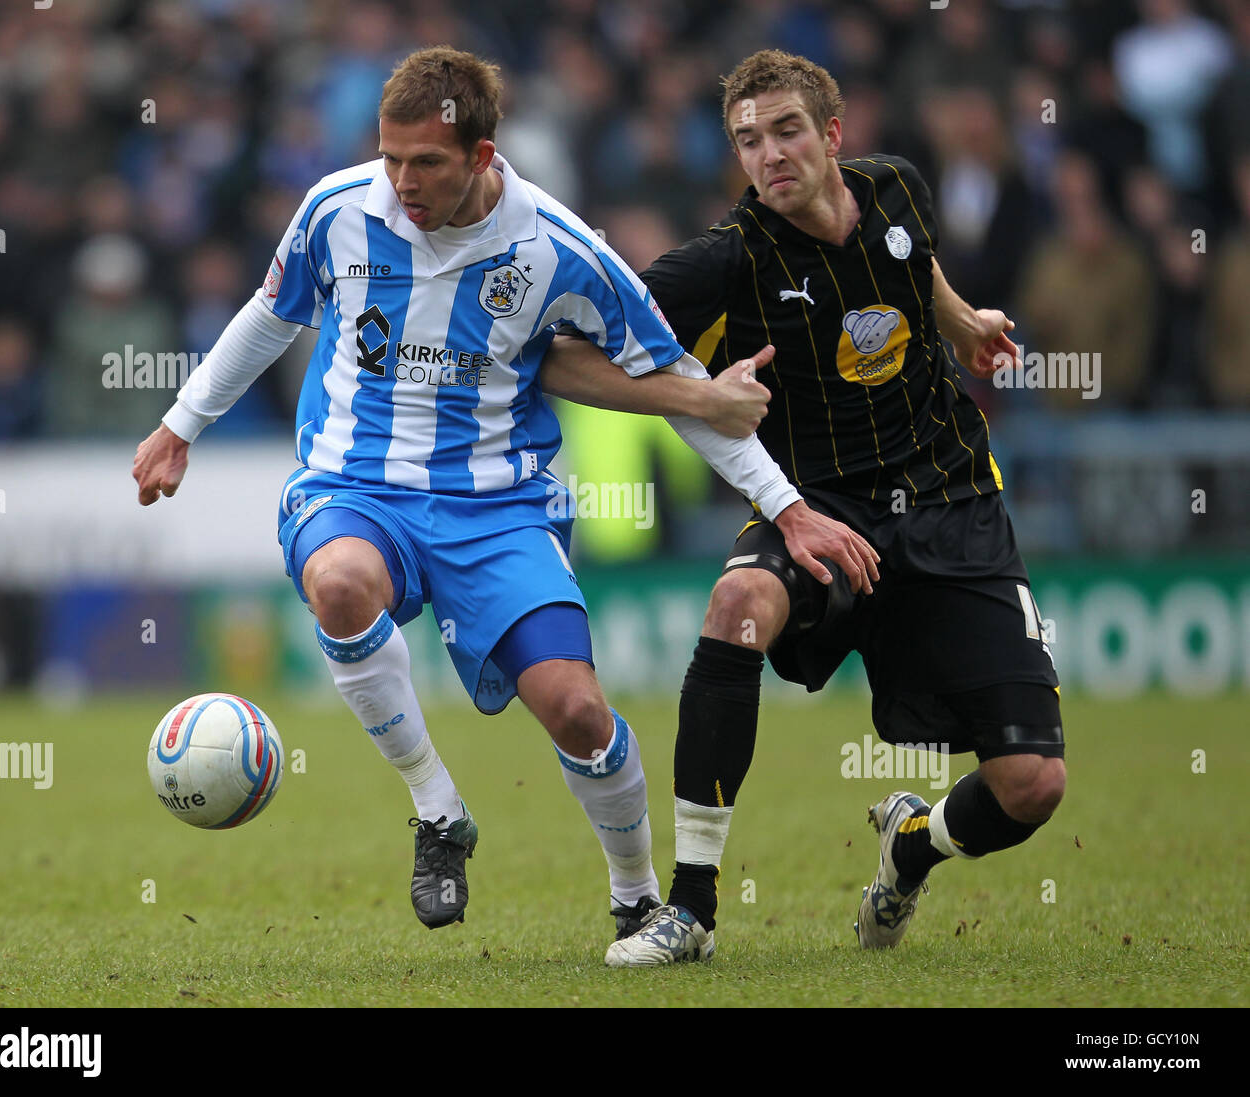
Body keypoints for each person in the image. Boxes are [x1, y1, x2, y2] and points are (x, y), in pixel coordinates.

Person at [131, 47, 878, 952]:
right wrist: (181, 423)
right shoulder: (338, 209)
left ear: (483, 155)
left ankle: (638, 895)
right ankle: (438, 812)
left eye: (428, 163)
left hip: (498, 508)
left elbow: (682, 383)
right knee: (340, 584)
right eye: (391, 157)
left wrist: (786, 505)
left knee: (574, 708)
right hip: (353, 484)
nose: (402, 181)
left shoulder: (558, 247)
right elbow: (270, 314)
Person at [594, 50, 1066, 965]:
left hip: (951, 495)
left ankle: (913, 845)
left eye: (786, 130)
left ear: (832, 136)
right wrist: (700, 394)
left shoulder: (898, 187)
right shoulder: (728, 261)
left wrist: (963, 322)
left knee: (1031, 785)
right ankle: (690, 908)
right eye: (746, 140)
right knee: (735, 609)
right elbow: (595, 347)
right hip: (818, 507)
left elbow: (913, 267)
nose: (767, 154)